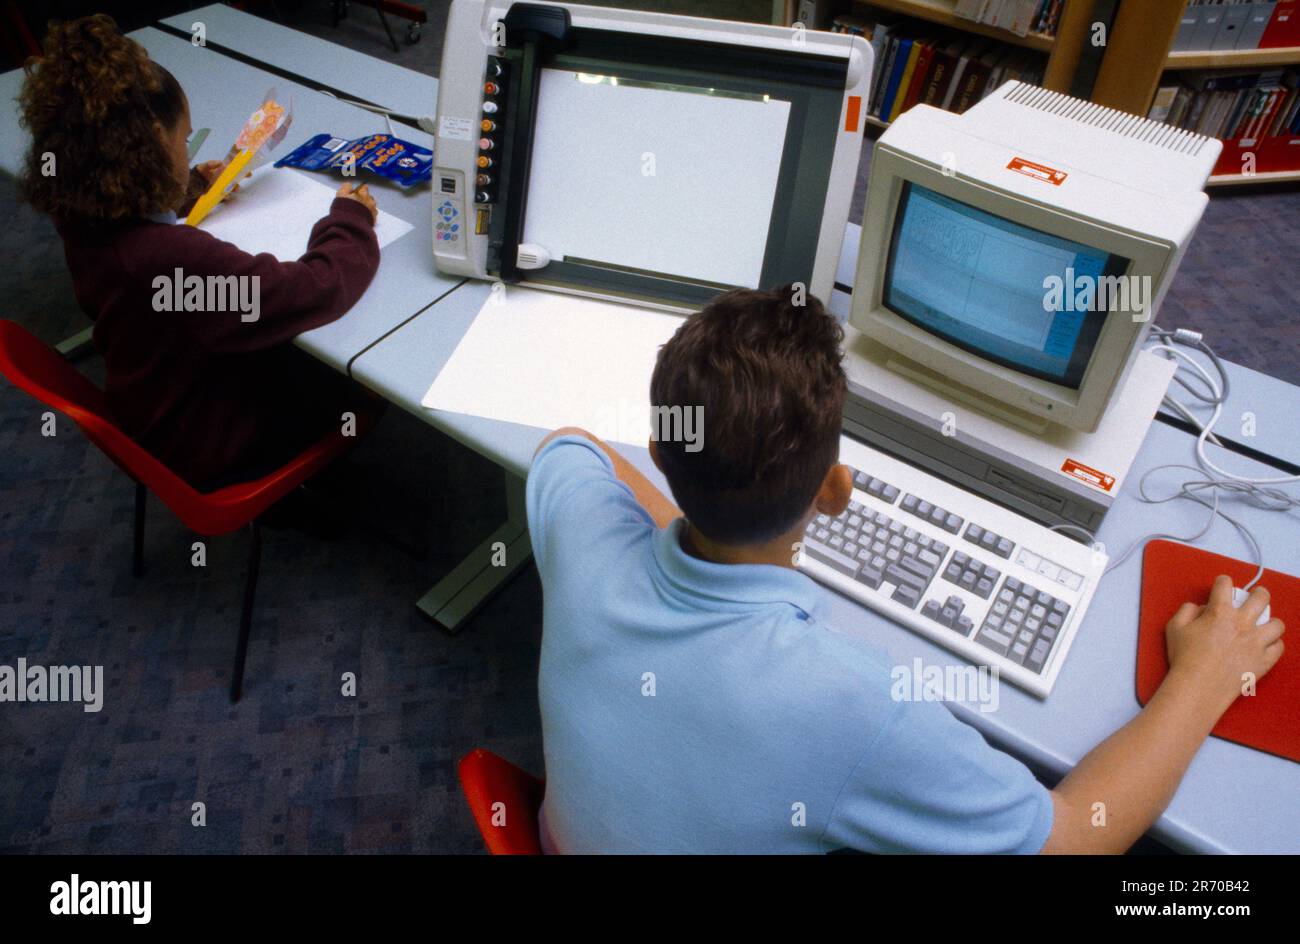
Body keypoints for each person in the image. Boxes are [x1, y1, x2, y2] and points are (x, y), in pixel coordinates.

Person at [526, 284, 1285, 853]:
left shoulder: (579, 530)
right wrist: (1204, 678)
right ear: (835, 491)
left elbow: (568, 442)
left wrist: (688, 539)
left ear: (661, 455)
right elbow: (1069, 841)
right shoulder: (860, 707)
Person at [18, 14, 382, 490]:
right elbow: (317, 288)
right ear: (145, 150)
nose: (188, 152)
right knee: (363, 383)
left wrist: (186, 187)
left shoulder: (77, 210)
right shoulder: (169, 261)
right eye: (184, 141)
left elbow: (122, 207)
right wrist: (350, 219)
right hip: (213, 446)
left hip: (151, 402)